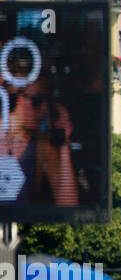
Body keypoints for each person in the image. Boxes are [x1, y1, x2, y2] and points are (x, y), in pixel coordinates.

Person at [0, 68, 78, 208]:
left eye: (46, 103)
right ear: (14, 99)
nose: (43, 110)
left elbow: (68, 205)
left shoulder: (42, 147)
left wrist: (64, 145)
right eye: (36, 102)